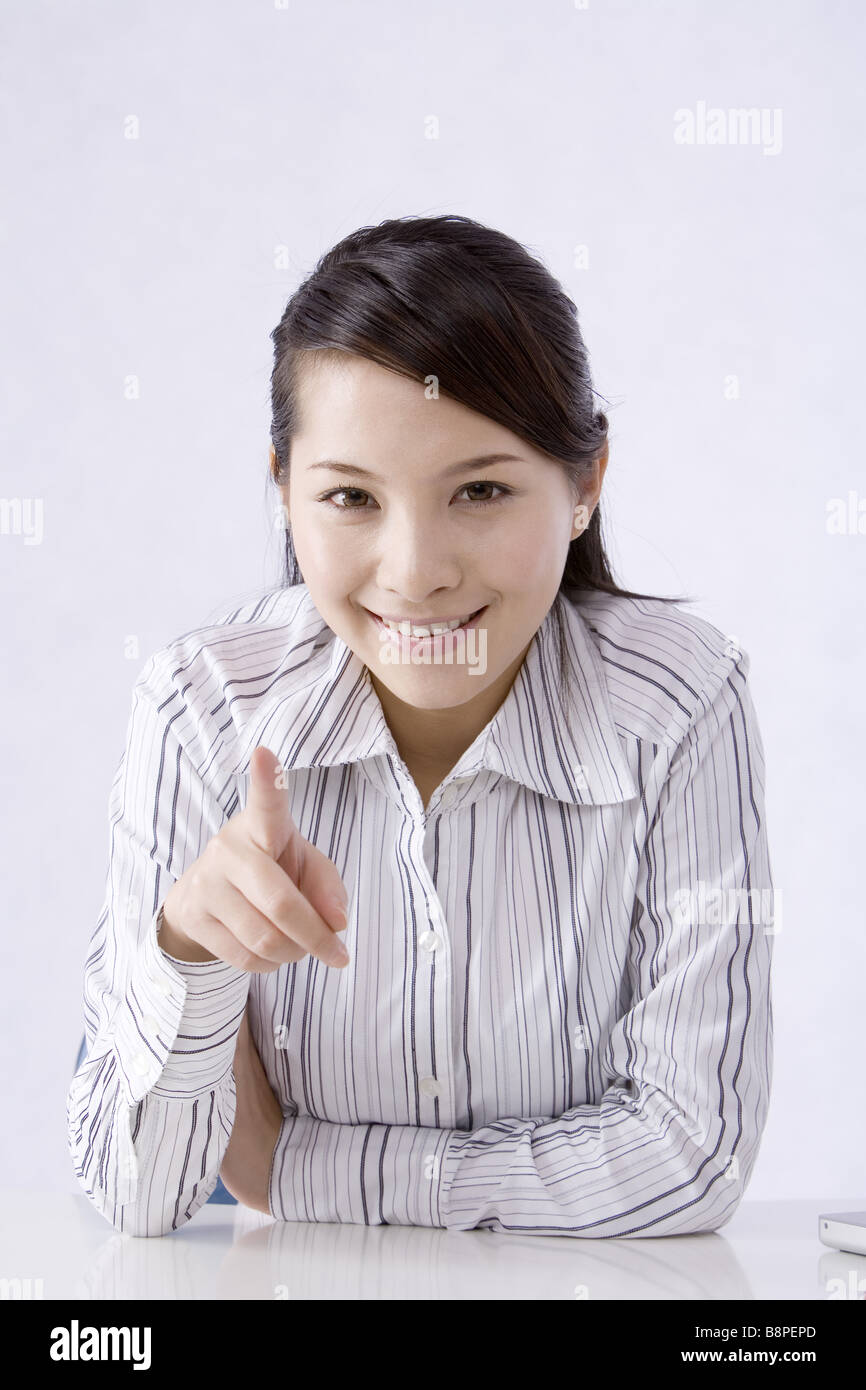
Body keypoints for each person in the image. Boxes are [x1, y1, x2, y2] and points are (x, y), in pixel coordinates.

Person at [67, 213, 774, 1238]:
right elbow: (135, 1196)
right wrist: (187, 953)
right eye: (350, 496)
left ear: (583, 484)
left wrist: (286, 1166)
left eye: (479, 489)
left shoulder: (677, 704)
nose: (415, 571)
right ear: (283, 493)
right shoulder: (200, 708)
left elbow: (686, 1157)